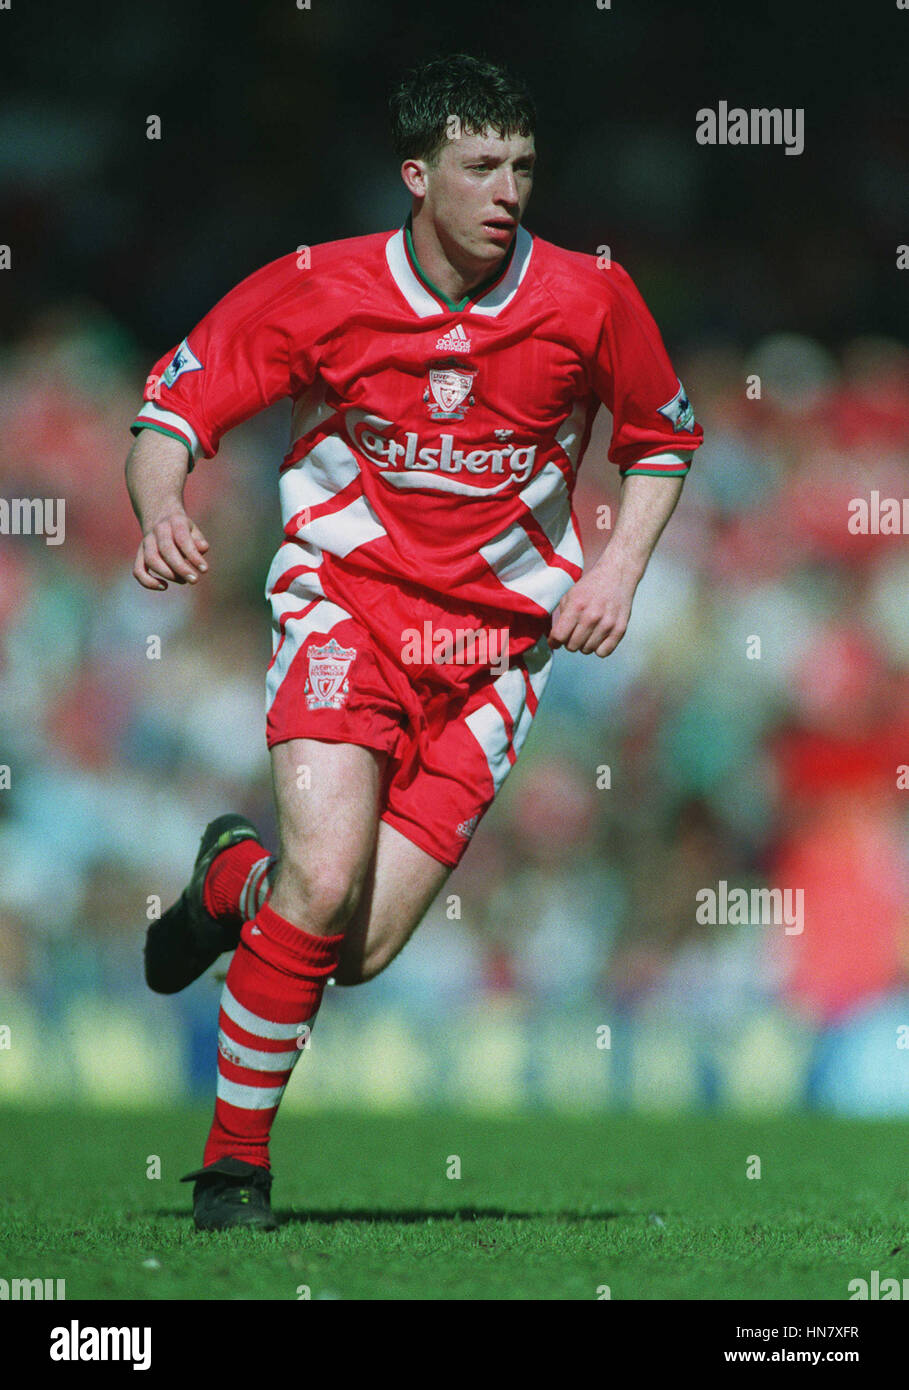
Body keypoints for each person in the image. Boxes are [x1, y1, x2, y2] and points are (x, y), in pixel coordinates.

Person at [124, 53, 703, 1230]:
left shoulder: (590, 296)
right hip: (348, 608)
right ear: (416, 173)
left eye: (524, 167)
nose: (509, 191)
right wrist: (162, 506)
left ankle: (226, 887)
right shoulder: (315, 287)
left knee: (349, 945)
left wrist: (619, 571)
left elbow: (661, 436)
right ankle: (234, 1170)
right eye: (481, 166)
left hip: (494, 656)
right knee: (326, 878)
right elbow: (171, 408)